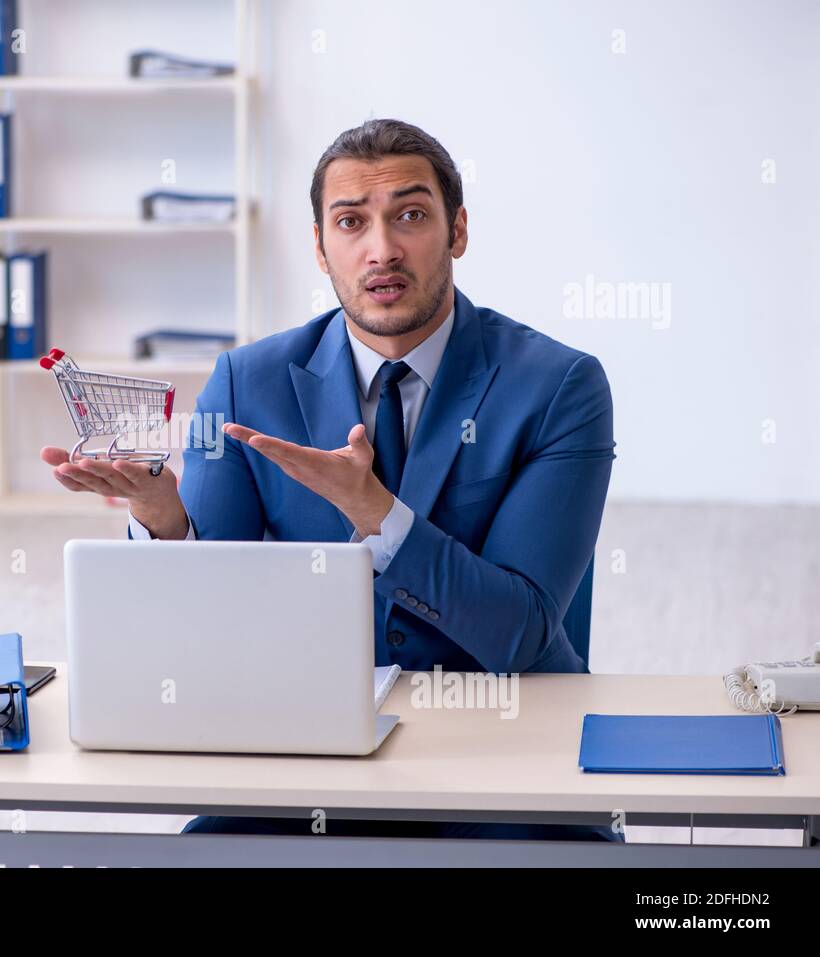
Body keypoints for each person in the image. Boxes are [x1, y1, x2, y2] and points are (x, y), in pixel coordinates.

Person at [41, 118, 618, 843]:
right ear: (320, 247)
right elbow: (211, 618)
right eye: (351, 222)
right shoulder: (246, 383)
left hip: (507, 746)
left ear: (458, 230)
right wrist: (163, 517)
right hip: (308, 751)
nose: (382, 249)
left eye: (410, 215)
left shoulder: (560, 386)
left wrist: (379, 514)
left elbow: (520, 631)